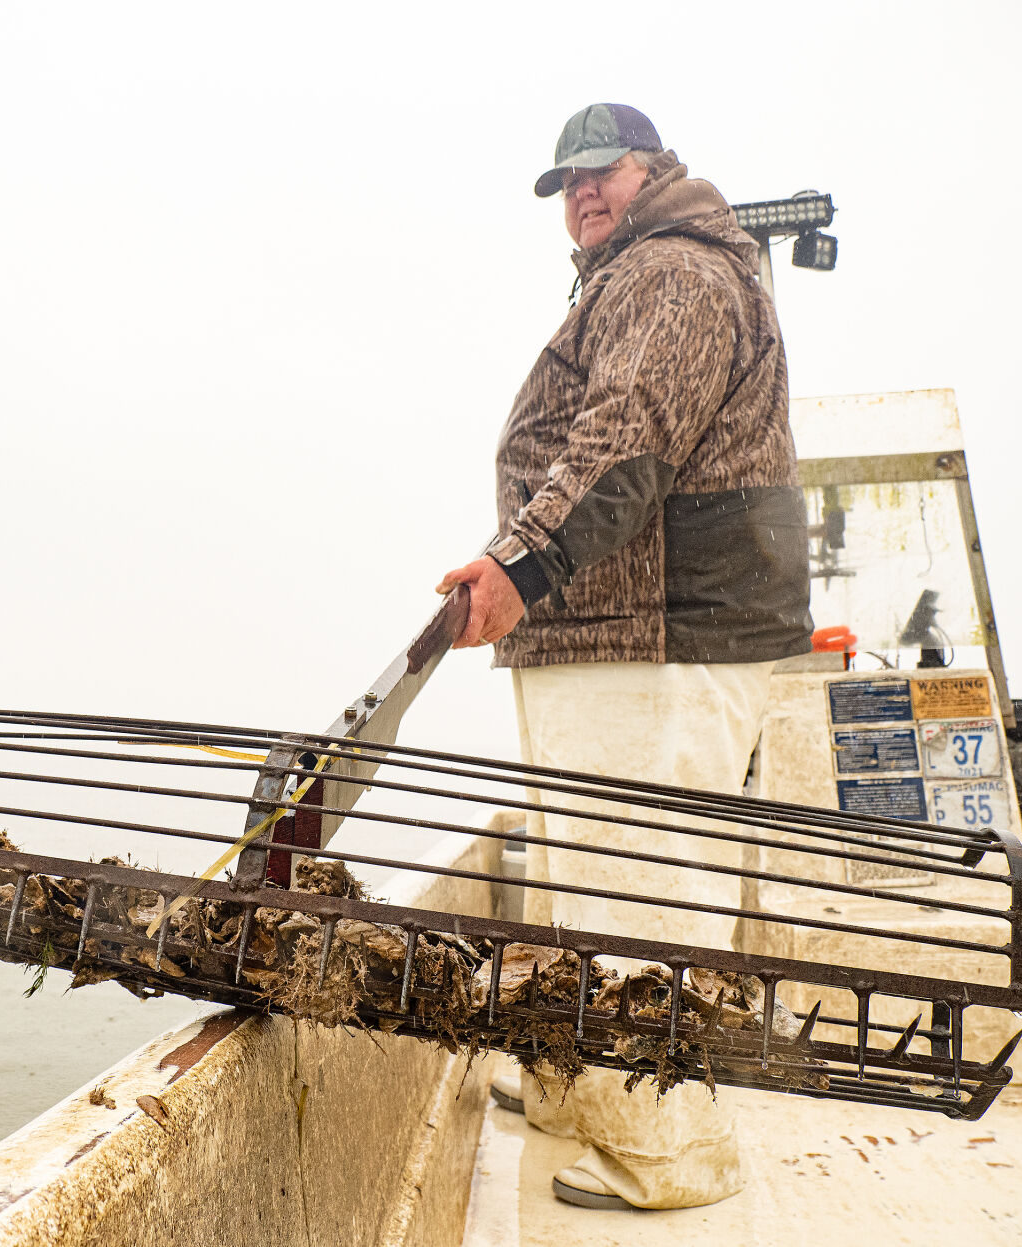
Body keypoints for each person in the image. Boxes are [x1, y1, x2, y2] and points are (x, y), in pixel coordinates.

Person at [435, 103, 813, 1211]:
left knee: (642, 890)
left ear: (654, 169)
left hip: (658, 633)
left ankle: (668, 1147)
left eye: (601, 170)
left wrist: (520, 563)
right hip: (608, 636)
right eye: (567, 180)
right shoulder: (631, 272)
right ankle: (573, 1086)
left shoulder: (673, 272)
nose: (582, 192)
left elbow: (625, 439)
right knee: (574, 880)